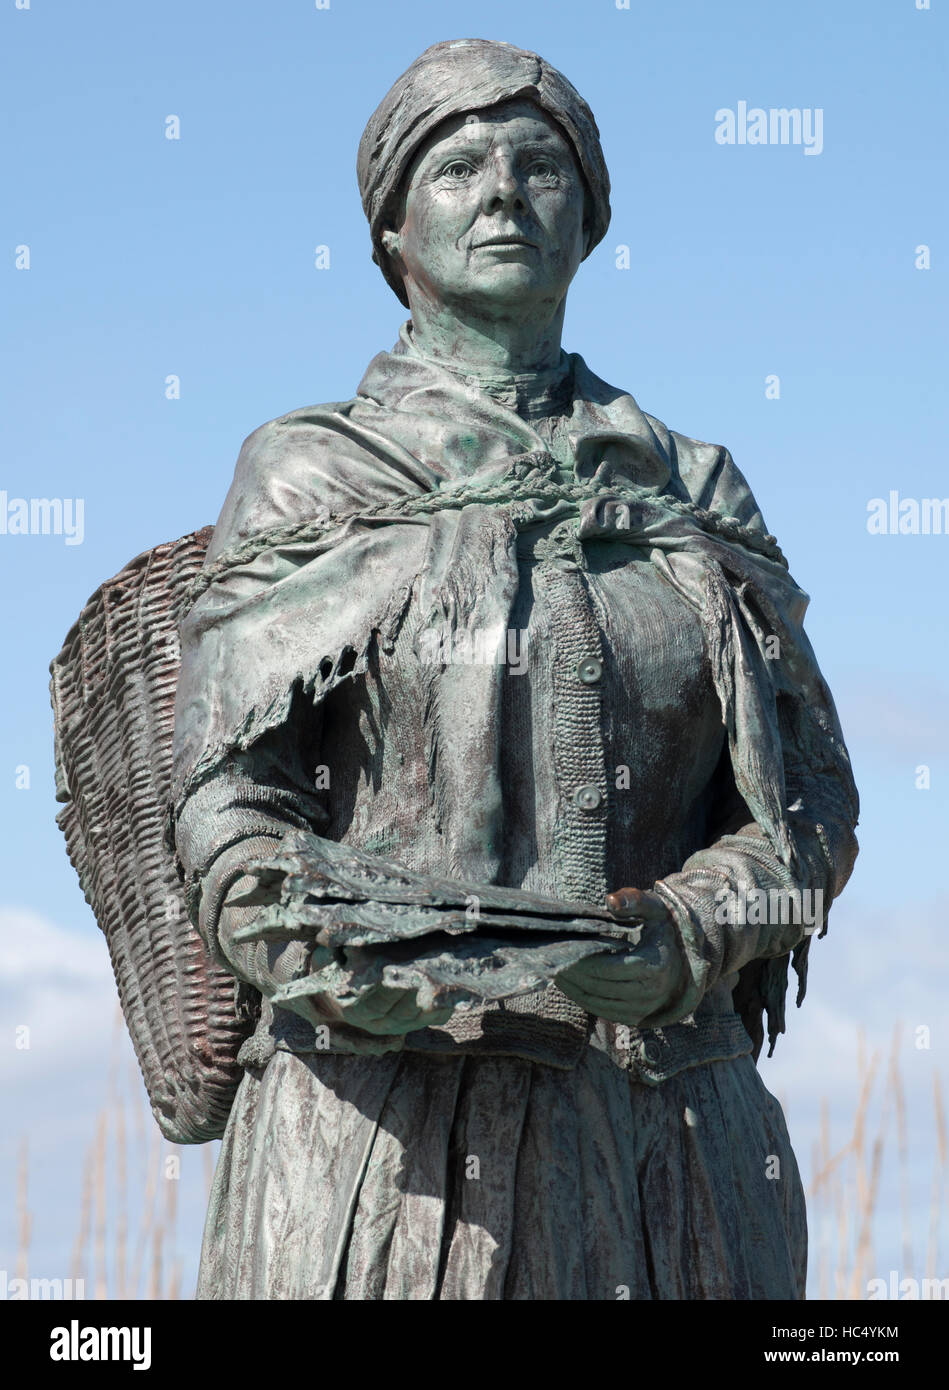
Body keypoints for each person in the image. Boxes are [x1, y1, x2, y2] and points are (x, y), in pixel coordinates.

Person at [170, 38, 859, 1300]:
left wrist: (685, 934)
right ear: (390, 227)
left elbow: (806, 812)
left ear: (588, 220)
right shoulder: (313, 471)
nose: (502, 192)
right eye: (457, 166)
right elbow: (226, 803)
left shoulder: (688, 488)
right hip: (384, 1138)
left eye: (541, 165)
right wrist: (325, 953)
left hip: (670, 1142)